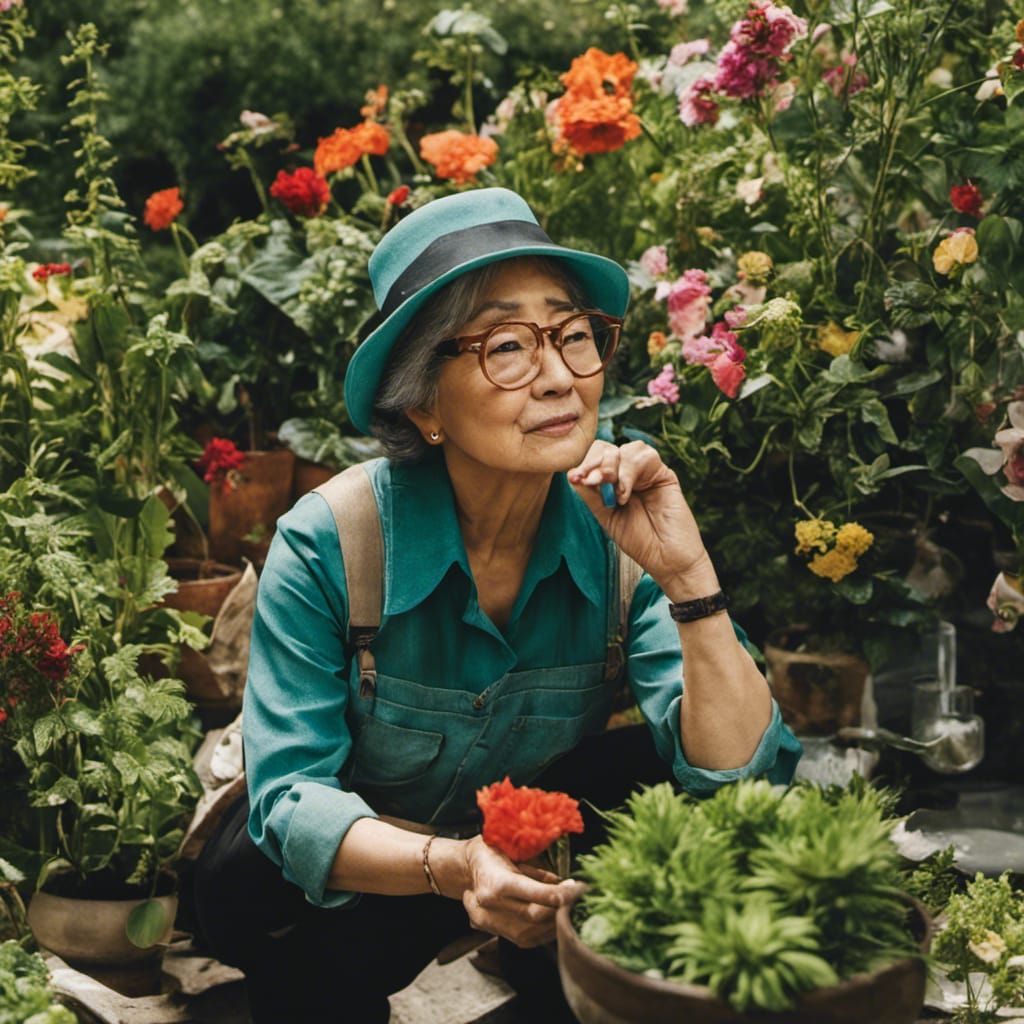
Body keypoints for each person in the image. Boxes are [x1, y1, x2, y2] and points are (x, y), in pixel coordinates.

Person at [192, 187, 802, 1023]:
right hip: (335, 898)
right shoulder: (332, 541)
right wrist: (457, 863)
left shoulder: (621, 532)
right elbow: (293, 799)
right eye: (508, 346)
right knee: (297, 943)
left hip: (517, 878)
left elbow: (743, 781)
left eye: (574, 335)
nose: (558, 377)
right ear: (422, 403)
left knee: (645, 775)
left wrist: (690, 576)